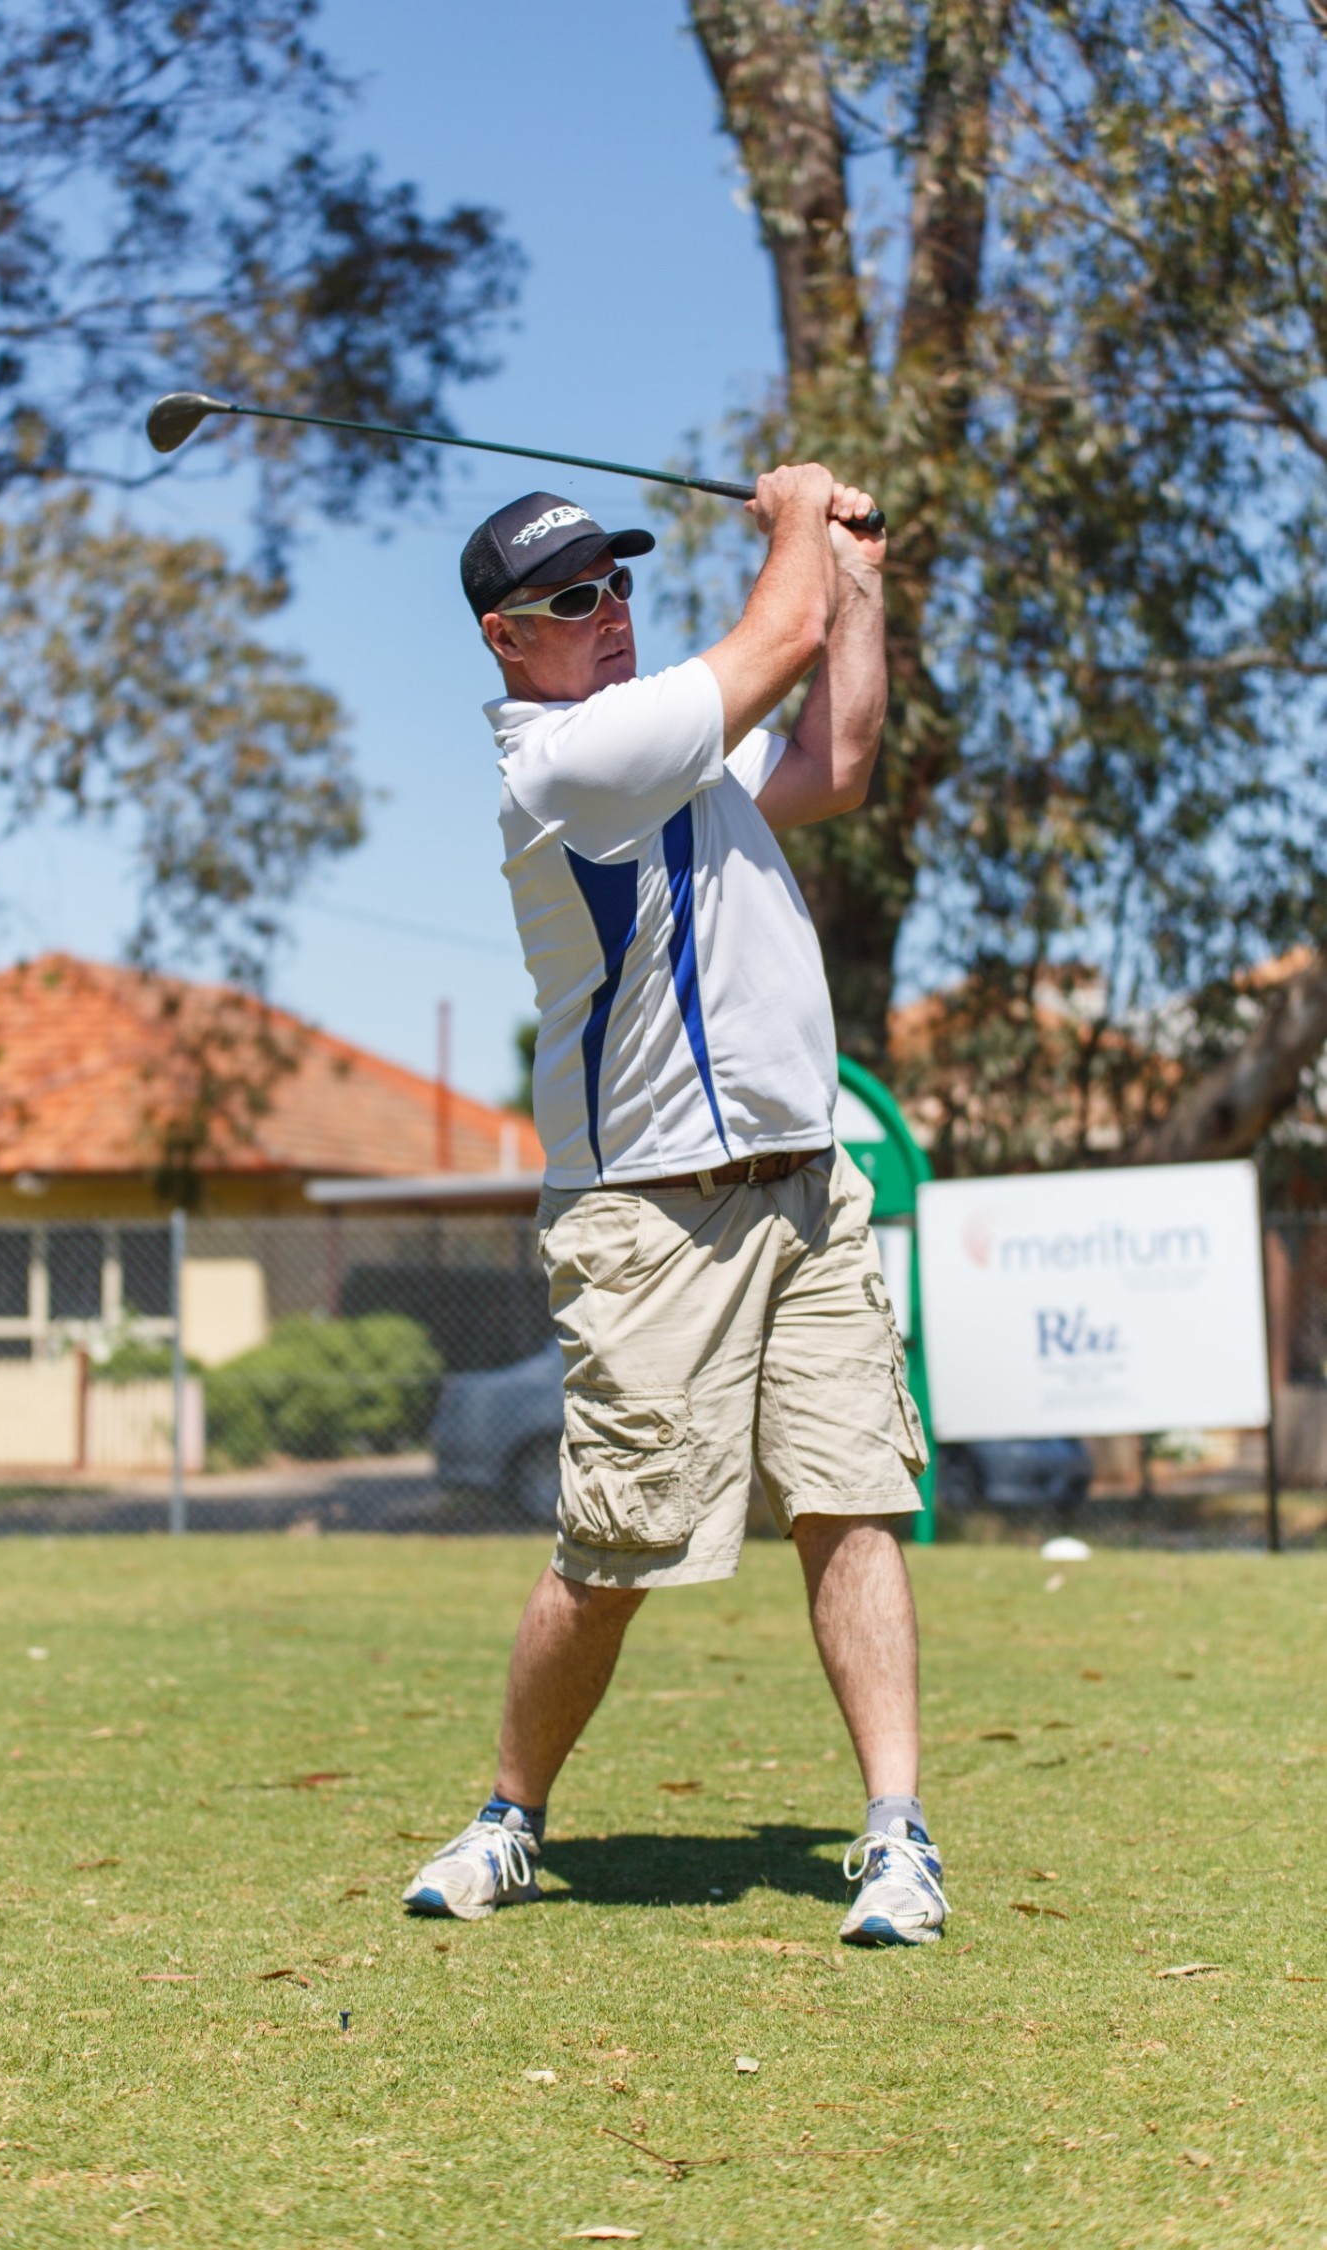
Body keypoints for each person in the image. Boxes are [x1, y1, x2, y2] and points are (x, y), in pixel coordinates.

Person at [402, 467, 948, 1946]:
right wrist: (794, 531)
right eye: (575, 601)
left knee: (852, 1496)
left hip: (802, 1181)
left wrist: (863, 575)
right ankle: (511, 1811)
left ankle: (898, 1832)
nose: (613, 614)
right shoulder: (566, 764)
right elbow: (771, 645)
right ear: (511, 639)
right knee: (619, 1549)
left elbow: (832, 760)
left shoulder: (676, 751)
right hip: (648, 1214)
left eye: (621, 583)